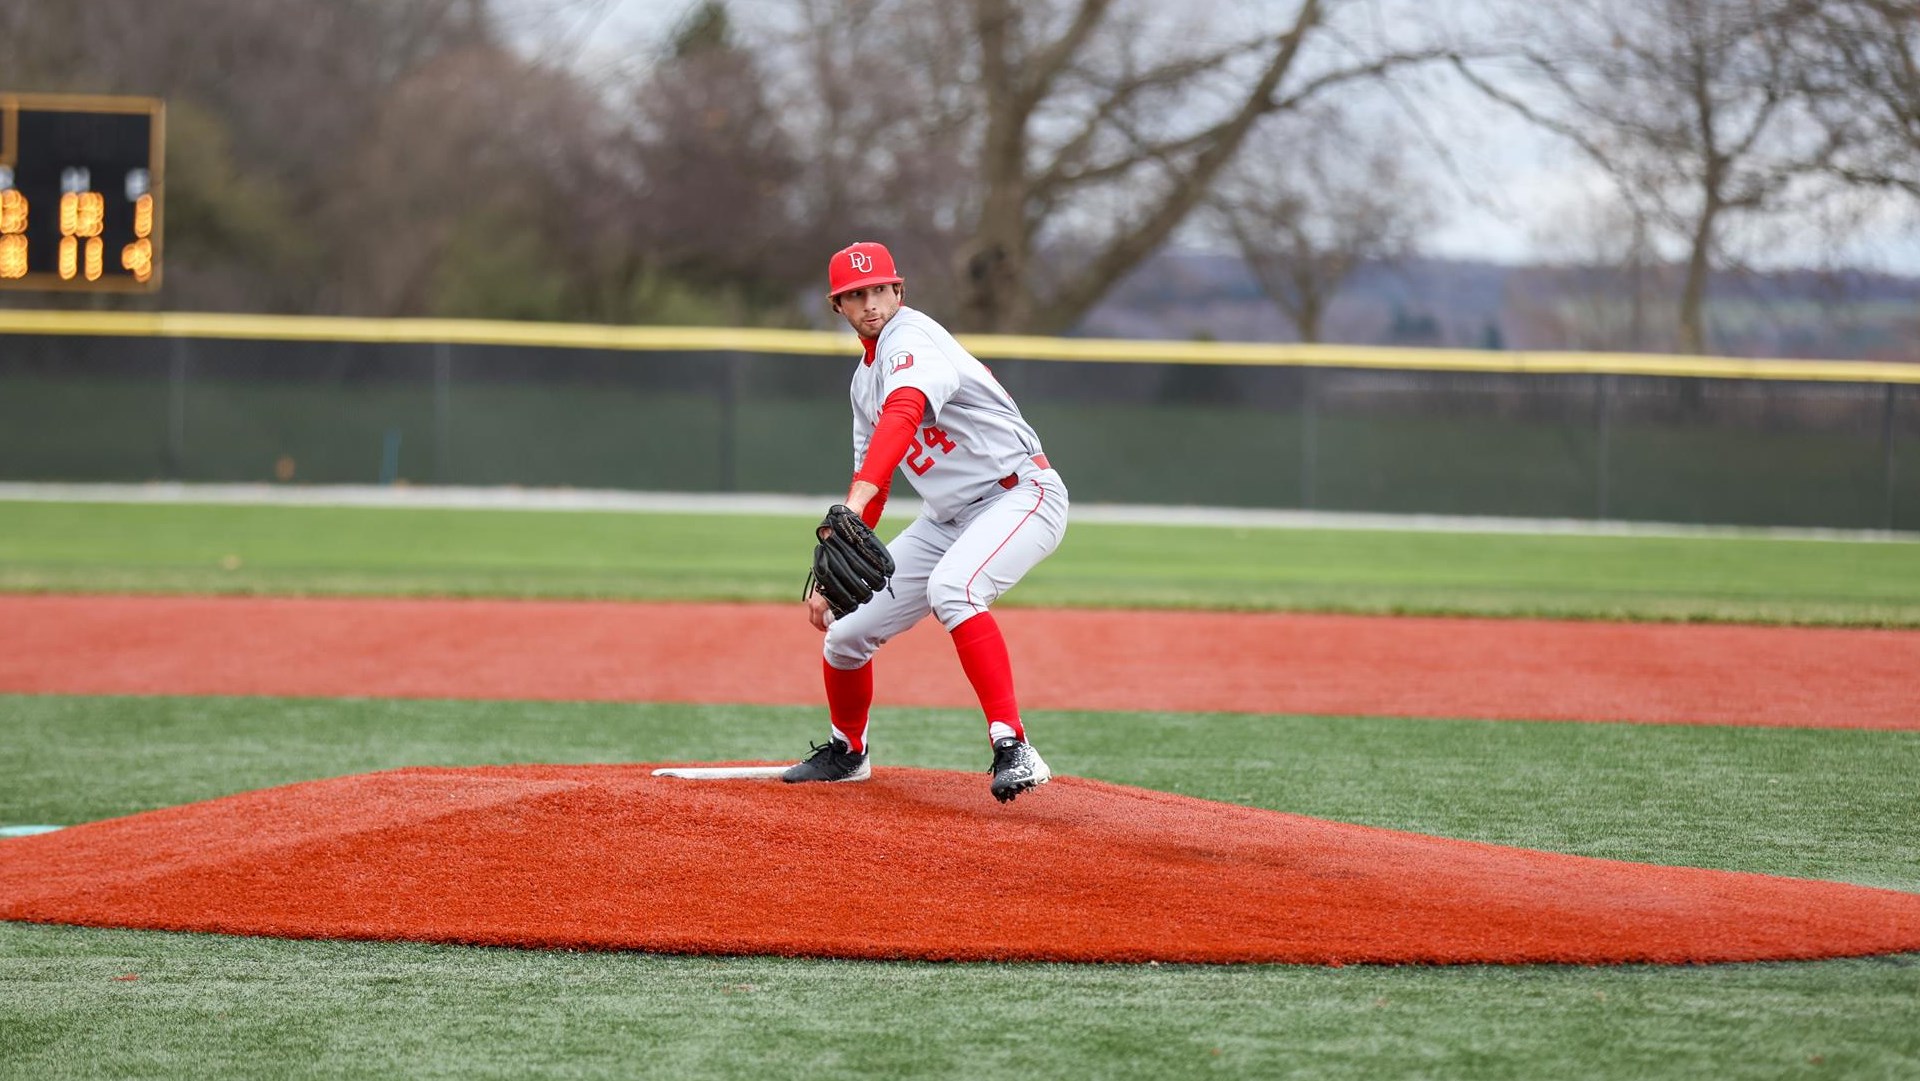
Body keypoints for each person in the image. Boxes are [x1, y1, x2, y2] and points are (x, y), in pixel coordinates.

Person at [784, 240, 1069, 803]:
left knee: (954, 588)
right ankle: (848, 751)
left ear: (899, 290)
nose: (871, 303)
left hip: (1020, 494)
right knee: (847, 633)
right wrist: (842, 552)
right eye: (855, 295)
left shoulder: (913, 338)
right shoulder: (863, 381)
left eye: (879, 290)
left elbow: (905, 412)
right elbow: (874, 474)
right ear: (836, 305)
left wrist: (855, 500)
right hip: (946, 519)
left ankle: (1014, 746)